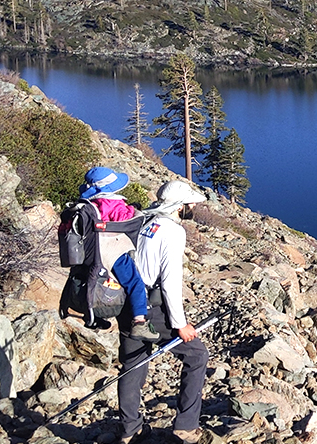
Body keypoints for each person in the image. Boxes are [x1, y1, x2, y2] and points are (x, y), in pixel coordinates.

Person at [117, 180, 211, 444]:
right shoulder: (172, 231)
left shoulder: (145, 220)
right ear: (179, 206)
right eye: (190, 203)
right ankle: (186, 427)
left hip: (128, 302)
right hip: (152, 308)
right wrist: (180, 324)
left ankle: (130, 430)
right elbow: (170, 282)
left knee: (133, 363)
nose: (193, 206)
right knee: (197, 355)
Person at [78, 166, 158, 342]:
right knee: (135, 282)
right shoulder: (111, 203)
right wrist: (134, 209)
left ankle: (94, 316)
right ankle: (139, 322)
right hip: (110, 249)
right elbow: (127, 218)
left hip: (90, 251)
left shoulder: (89, 203)